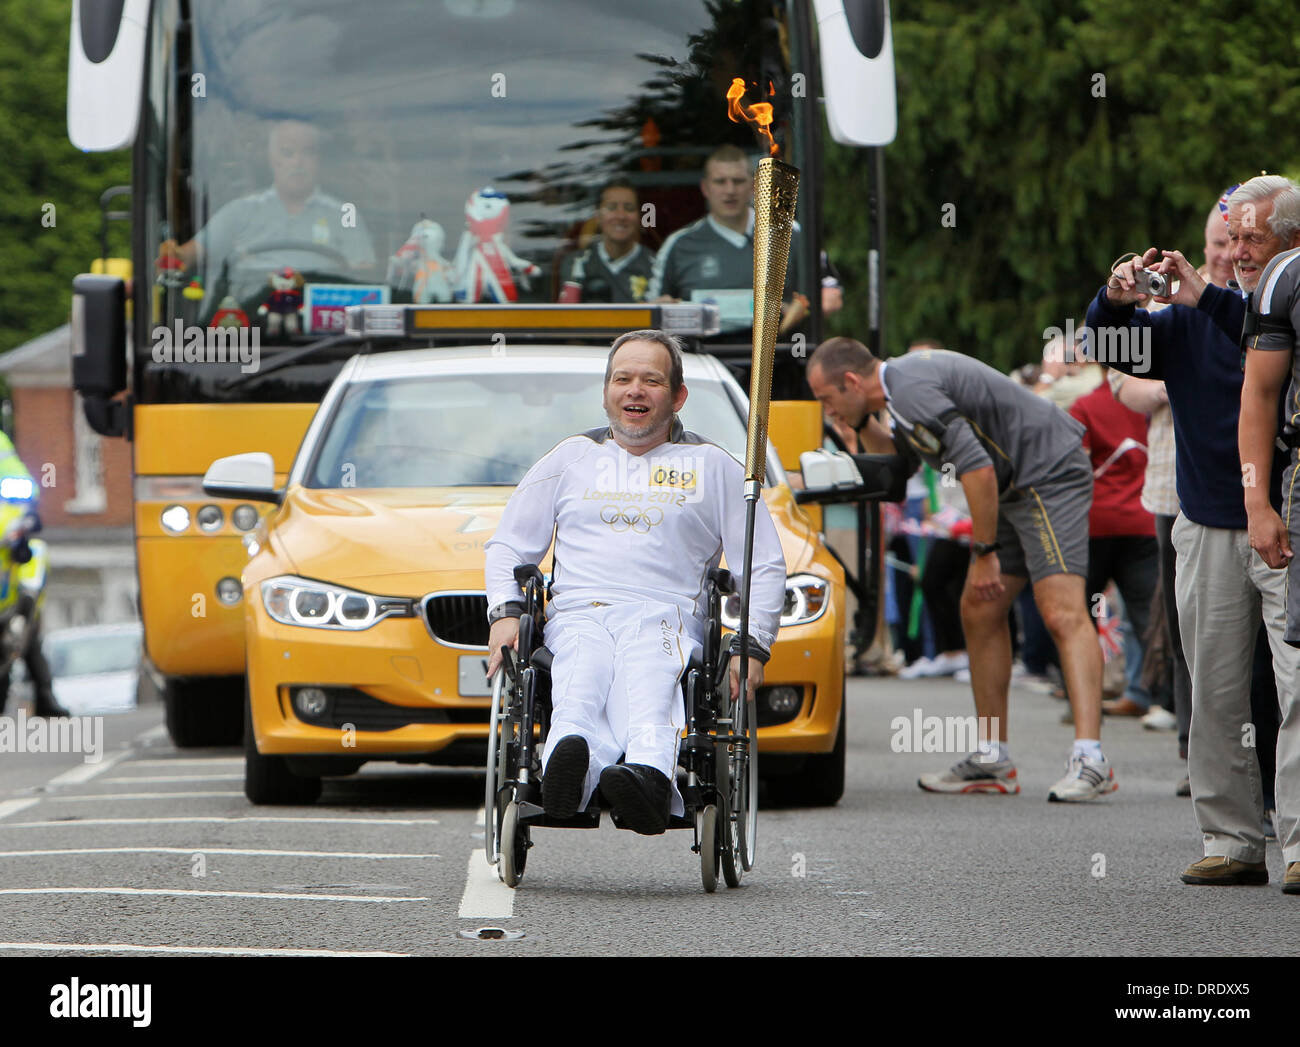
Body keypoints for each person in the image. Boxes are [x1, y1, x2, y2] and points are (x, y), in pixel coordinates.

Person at [483, 329, 786, 834]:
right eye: (622, 379)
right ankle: (574, 768)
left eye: (651, 380)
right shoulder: (570, 459)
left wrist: (752, 644)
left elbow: (764, 562)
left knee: (647, 679)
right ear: (606, 393)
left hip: (665, 616)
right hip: (579, 613)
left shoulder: (714, 467)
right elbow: (508, 545)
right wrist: (504, 613)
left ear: (678, 396)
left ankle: (644, 777)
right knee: (580, 680)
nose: (635, 391)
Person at [1087, 176, 1300, 890]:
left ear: (1290, 243)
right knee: (1212, 688)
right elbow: (1106, 344)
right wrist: (1116, 295)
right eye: (1227, 240)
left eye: (1252, 239)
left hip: (1288, 524)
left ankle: (1298, 844)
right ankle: (1233, 838)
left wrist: (1200, 296)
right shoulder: (1183, 321)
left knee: (1297, 686)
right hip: (1208, 523)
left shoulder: (1279, 303)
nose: (1238, 253)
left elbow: (1253, 338)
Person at [806, 337, 1117, 802]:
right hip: (1013, 483)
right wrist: (861, 423)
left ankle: (1091, 759)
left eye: (828, 400)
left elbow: (976, 470)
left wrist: (984, 551)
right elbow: (900, 465)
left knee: (1061, 609)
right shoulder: (898, 392)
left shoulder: (910, 390)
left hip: (1046, 472)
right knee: (980, 608)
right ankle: (993, 759)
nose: (828, 412)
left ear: (850, 381)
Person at [157, 119, 376, 307]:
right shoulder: (240, 211)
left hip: (323, 331)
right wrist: (174, 254)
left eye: (308, 153)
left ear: (318, 161)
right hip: (247, 327)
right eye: (288, 152)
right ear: (272, 159)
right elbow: (191, 254)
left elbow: (365, 277)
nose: (298, 162)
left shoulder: (344, 215)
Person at [1067, 368, 1159, 719]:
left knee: (1081, 617)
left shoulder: (1086, 406)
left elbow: (1075, 470)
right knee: (1148, 616)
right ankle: (1157, 696)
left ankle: (1081, 699)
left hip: (1095, 526)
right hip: (1145, 521)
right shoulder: (1153, 405)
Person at [648, 145, 816, 332]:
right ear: (705, 188)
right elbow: (651, 314)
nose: (730, 190)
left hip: (778, 356)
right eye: (720, 182)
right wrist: (664, 309)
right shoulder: (678, 244)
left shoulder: (789, 233)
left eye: (738, 181)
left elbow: (826, 295)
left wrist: (798, 312)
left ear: (754, 186)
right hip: (699, 357)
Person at [0, 431, 66, 719]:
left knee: (27, 610)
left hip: (6, 545)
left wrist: (23, 515)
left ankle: (44, 693)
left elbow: (21, 483)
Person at [558, 179, 655, 303]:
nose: (621, 216)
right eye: (611, 207)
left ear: (639, 216)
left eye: (629, 208)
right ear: (598, 216)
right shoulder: (578, 263)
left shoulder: (655, 266)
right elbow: (567, 316)